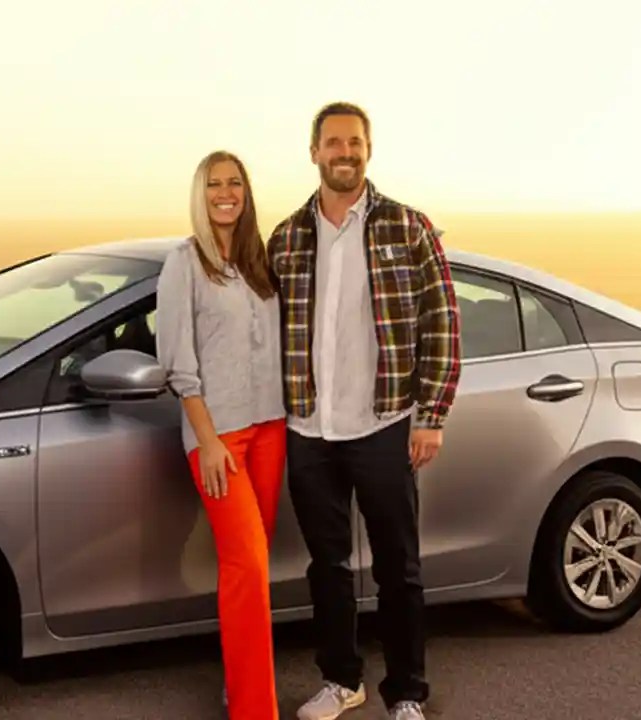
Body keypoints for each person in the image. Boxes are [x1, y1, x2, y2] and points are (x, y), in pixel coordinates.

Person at [266, 103, 462, 720]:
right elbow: (263, 329)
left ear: (368, 151)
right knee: (326, 564)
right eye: (332, 143)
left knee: (398, 567)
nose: (342, 153)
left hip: (383, 424)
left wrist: (431, 413)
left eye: (353, 142)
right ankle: (340, 680)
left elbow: (443, 322)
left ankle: (406, 694)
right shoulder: (288, 236)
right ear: (314, 152)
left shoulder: (408, 227)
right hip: (309, 429)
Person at [156, 150, 287, 720]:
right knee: (248, 565)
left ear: (247, 192)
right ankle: (255, 710)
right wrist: (207, 440)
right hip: (220, 438)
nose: (225, 193)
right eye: (214, 184)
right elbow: (178, 362)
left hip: (272, 427)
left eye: (235, 183)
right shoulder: (183, 264)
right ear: (199, 192)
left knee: (252, 573)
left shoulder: (262, 261)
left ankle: (242, 682)